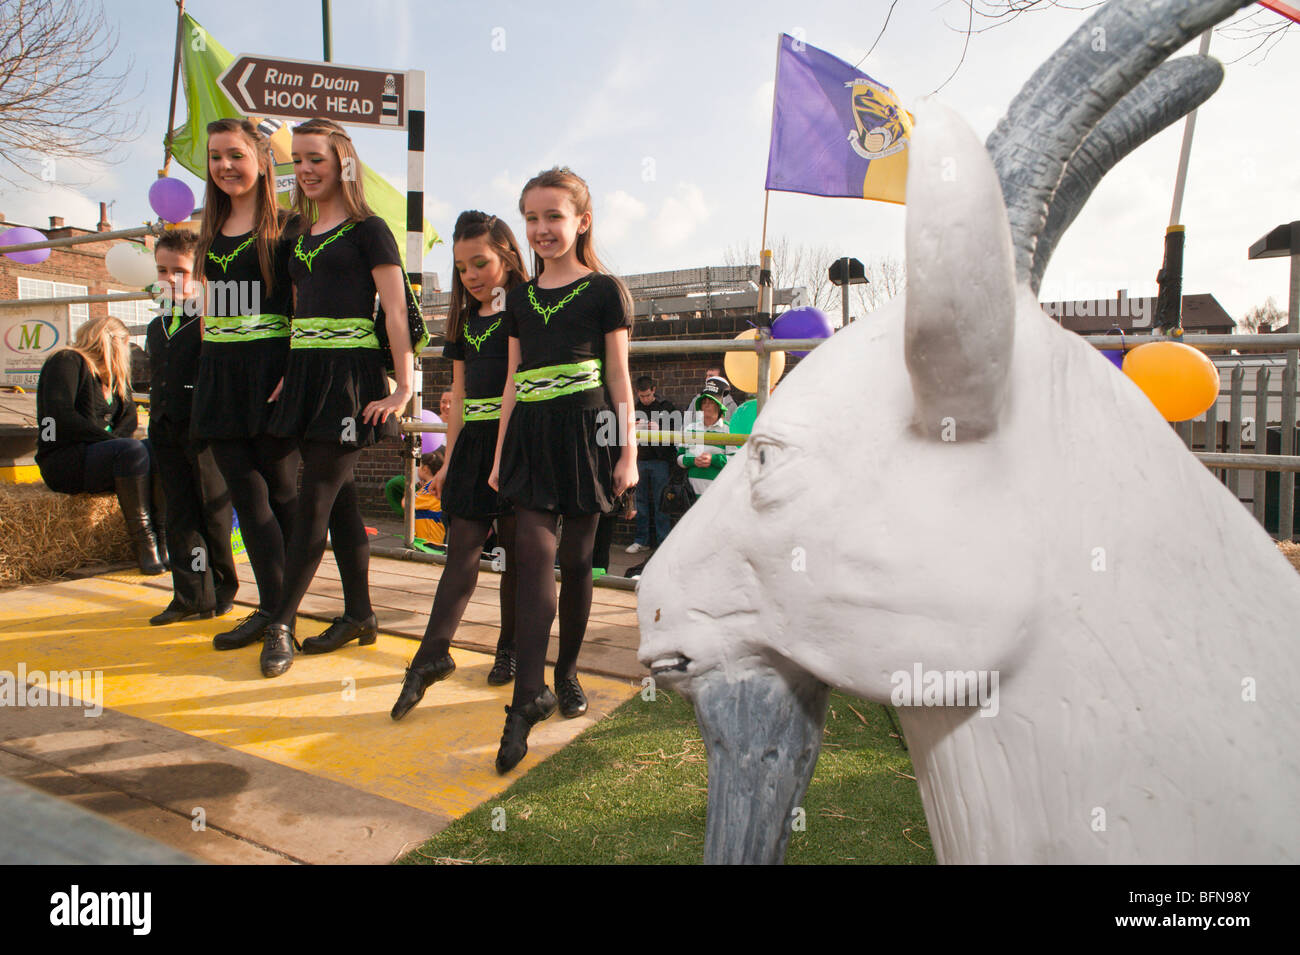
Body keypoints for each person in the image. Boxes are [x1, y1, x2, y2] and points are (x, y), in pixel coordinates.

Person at [489, 167, 637, 773]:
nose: (542, 228)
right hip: (530, 437)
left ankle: (566, 672)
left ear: (582, 220)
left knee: (577, 565)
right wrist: (500, 455)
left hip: (588, 436)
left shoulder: (606, 290)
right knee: (530, 562)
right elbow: (511, 383)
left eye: (554, 216)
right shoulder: (517, 297)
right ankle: (528, 698)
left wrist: (626, 452)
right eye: (532, 217)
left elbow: (619, 379)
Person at [259, 117, 414, 678]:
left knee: (315, 498)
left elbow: (395, 312)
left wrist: (406, 386)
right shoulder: (297, 233)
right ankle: (360, 615)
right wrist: (288, 372)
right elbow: (297, 311)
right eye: (297, 159)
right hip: (305, 376)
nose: (303, 169)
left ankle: (280, 620)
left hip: (350, 380)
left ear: (342, 162)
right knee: (342, 501)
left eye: (315, 159)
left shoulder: (371, 229)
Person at [391, 211, 530, 722]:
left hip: (518, 443)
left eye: (481, 263)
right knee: (463, 551)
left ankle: (510, 648)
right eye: (462, 267)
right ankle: (432, 654)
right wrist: (448, 462)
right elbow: (460, 391)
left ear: (508, 257)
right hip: (472, 446)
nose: (471, 275)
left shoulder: (528, 307)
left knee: (516, 555)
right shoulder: (464, 320)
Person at [192, 118, 301, 653]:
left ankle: (285, 616)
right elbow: (213, 308)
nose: (225, 167)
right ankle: (270, 611)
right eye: (215, 157)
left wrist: (292, 372)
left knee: (282, 494)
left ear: (261, 160)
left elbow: (303, 307)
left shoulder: (290, 227)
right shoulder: (209, 230)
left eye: (235, 155)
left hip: (271, 375)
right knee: (247, 498)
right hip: (221, 375)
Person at [145, 228, 238, 624]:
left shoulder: (211, 321)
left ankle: (221, 589)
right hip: (165, 429)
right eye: (162, 270)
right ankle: (188, 595)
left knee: (213, 513)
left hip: (203, 433)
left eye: (180, 271)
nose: (169, 279)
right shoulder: (156, 326)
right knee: (179, 512)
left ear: (201, 274)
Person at [35, 315, 165, 575]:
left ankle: (164, 541)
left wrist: (116, 446)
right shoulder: (66, 360)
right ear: (113, 343)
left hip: (105, 456)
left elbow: (128, 418)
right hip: (65, 459)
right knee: (131, 450)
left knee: (155, 447)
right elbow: (60, 416)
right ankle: (144, 545)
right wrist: (113, 444)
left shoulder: (114, 376)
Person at [626, 376, 677, 555]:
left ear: (654, 390)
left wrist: (659, 429)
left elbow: (676, 431)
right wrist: (633, 427)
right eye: (642, 396)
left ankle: (663, 542)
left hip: (660, 461)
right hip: (639, 460)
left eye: (647, 395)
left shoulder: (666, 407)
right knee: (640, 502)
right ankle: (641, 540)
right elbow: (622, 432)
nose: (645, 399)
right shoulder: (633, 408)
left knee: (660, 501)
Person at [677, 377, 732, 496]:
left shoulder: (728, 429)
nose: (706, 405)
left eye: (711, 402)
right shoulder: (691, 428)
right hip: (691, 493)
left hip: (719, 492)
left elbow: (735, 460)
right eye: (704, 402)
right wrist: (693, 461)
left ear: (718, 406)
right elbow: (680, 458)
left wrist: (713, 459)